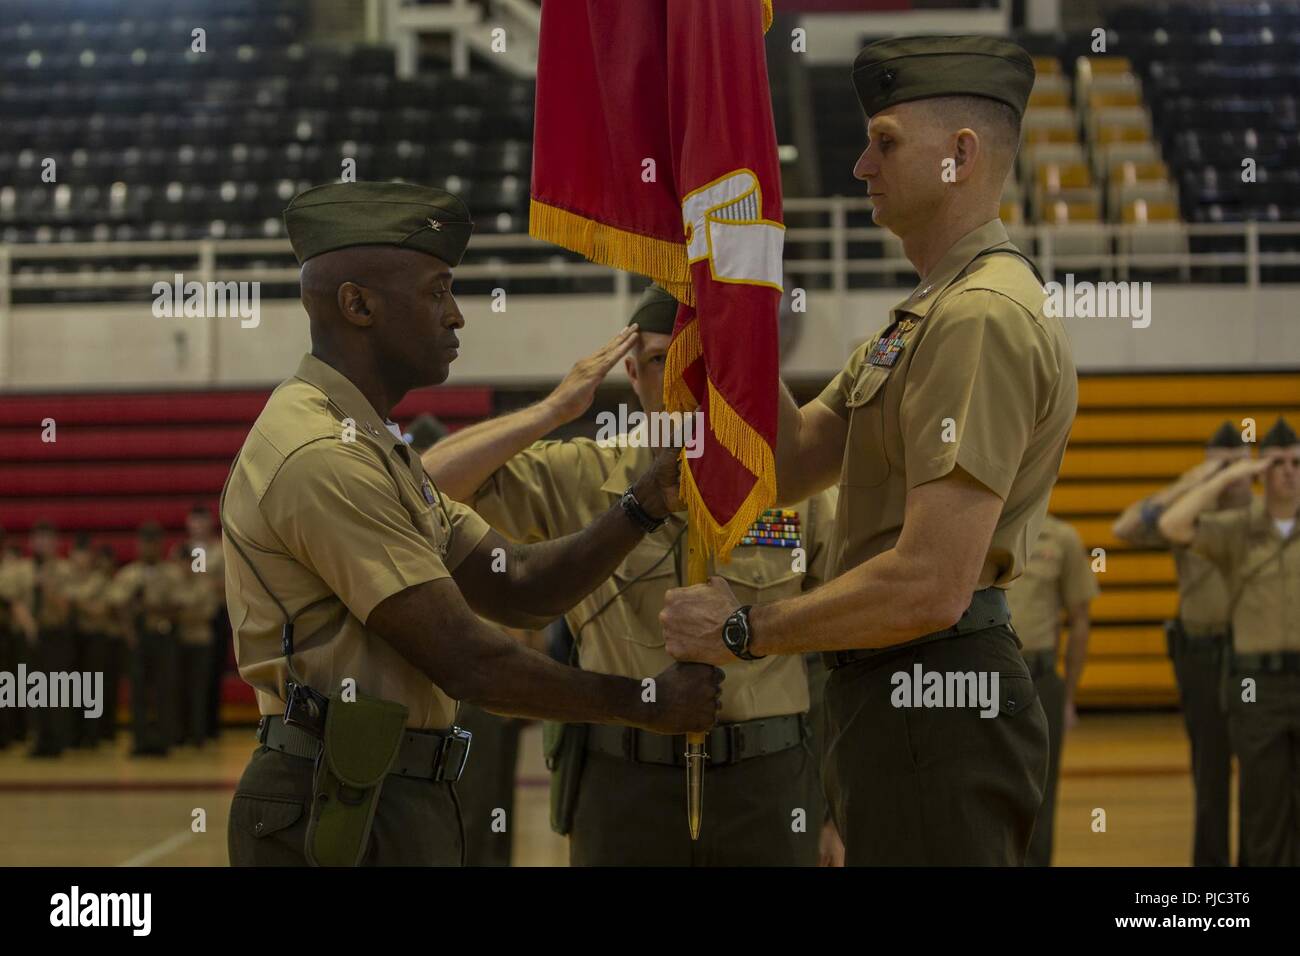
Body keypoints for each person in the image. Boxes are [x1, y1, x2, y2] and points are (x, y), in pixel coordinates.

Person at [660, 35, 1077, 866]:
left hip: (934, 682)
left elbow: (929, 584)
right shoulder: (928, 312)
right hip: (897, 687)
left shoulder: (980, 316)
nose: (859, 165)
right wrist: (730, 298)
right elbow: (785, 465)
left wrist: (743, 629)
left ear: (961, 156)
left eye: (884, 141)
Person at [222, 181, 722, 867]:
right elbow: (469, 661)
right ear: (358, 304)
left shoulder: (372, 444)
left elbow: (517, 585)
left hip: (387, 787)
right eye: (436, 292)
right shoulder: (319, 455)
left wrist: (642, 505)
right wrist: (647, 701)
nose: (456, 316)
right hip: (333, 798)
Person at [423, 282, 838, 866]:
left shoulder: (789, 485)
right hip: (624, 784)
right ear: (633, 376)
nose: (677, 380)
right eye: (657, 360)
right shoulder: (582, 474)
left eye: (698, 360)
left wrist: (831, 811)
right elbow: (422, 489)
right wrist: (551, 411)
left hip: (766, 784)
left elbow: (842, 641)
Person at [1158, 417, 1300, 866]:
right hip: (1258, 688)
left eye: (1297, 463)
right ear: (1261, 471)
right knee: (1263, 813)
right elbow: (1173, 526)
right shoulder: (1239, 528)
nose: (1289, 472)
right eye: (1278, 463)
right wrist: (1231, 474)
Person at [1112, 421, 1253, 866]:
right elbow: (1125, 528)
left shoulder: (1272, 517)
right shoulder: (1183, 521)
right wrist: (1191, 483)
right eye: (1219, 467)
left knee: (1263, 775)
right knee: (1209, 775)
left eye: (1237, 467)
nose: (1229, 477)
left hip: (1256, 660)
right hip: (1202, 655)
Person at [1006, 514, 1098, 865]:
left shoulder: (1062, 539)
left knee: (1040, 794)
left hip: (1040, 678)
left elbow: (1080, 621)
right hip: (983, 681)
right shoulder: (978, 525)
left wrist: (1070, 697)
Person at [107, 522, 182, 757]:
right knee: (138, 693)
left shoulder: (172, 573)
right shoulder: (129, 574)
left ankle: (163, 739)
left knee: (164, 691)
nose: (148, 548)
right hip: (138, 638)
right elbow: (116, 605)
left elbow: (180, 604)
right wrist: (129, 630)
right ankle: (140, 739)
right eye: (145, 542)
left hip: (163, 636)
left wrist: (153, 607)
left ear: (160, 545)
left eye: (153, 543)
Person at [64, 533, 115, 748]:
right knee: (73, 687)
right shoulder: (66, 576)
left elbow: (101, 611)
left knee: (94, 687)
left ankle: (93, 734)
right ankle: (74, 733)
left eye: (85, 553)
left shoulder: (99, 579)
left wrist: (75, 602)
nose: (81, 558)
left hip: (95, 637)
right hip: (73, 638)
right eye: (78, 553)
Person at [183, 504, 227, 742]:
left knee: (213, 671)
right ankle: (189, 724)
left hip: (215, 614)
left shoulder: (221, 551)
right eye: (194, 521)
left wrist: (206, 583)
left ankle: (210, 724)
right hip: (189, 616)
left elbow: (229, 582)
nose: (197, 526)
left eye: (202, 521)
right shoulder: (182, 551)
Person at [173, 541, 218, 747]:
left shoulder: (204, 584)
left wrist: (183, 613)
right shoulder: (173, 584)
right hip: (180, 643)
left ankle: (199, 735)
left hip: (200, 642)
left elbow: (208, 613)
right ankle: (180, 733)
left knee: (199, 690)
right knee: (179, 691)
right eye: (180, 562)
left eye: (187, 562)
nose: (184, 566)